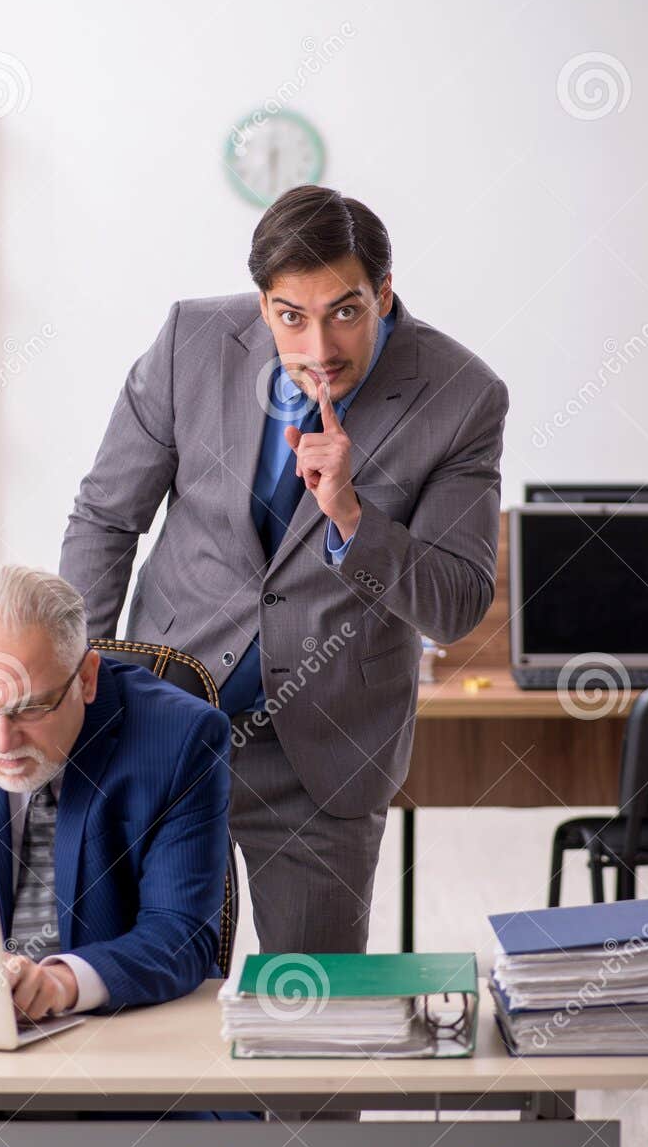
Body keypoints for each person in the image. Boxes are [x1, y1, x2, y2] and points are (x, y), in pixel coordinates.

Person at [60, 185, 509, 955]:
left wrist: (353, 520)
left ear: (384, 292)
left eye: (345, 310)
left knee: (314, 1024)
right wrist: (80, 679)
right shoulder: (191, 342)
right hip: (161, 724)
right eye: (290, 317)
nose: (319, 348)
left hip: (322, 756)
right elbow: (106, 518)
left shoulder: (462, 397)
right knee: (138, 993)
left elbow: (457, 603)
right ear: (264, 303)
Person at [0, 563, 231, 1021]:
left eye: (30, 708)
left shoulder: (181, 736)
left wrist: (60, 982)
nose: (2, 742)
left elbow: (181, 932)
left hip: (118, 1031)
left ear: (86, 678)